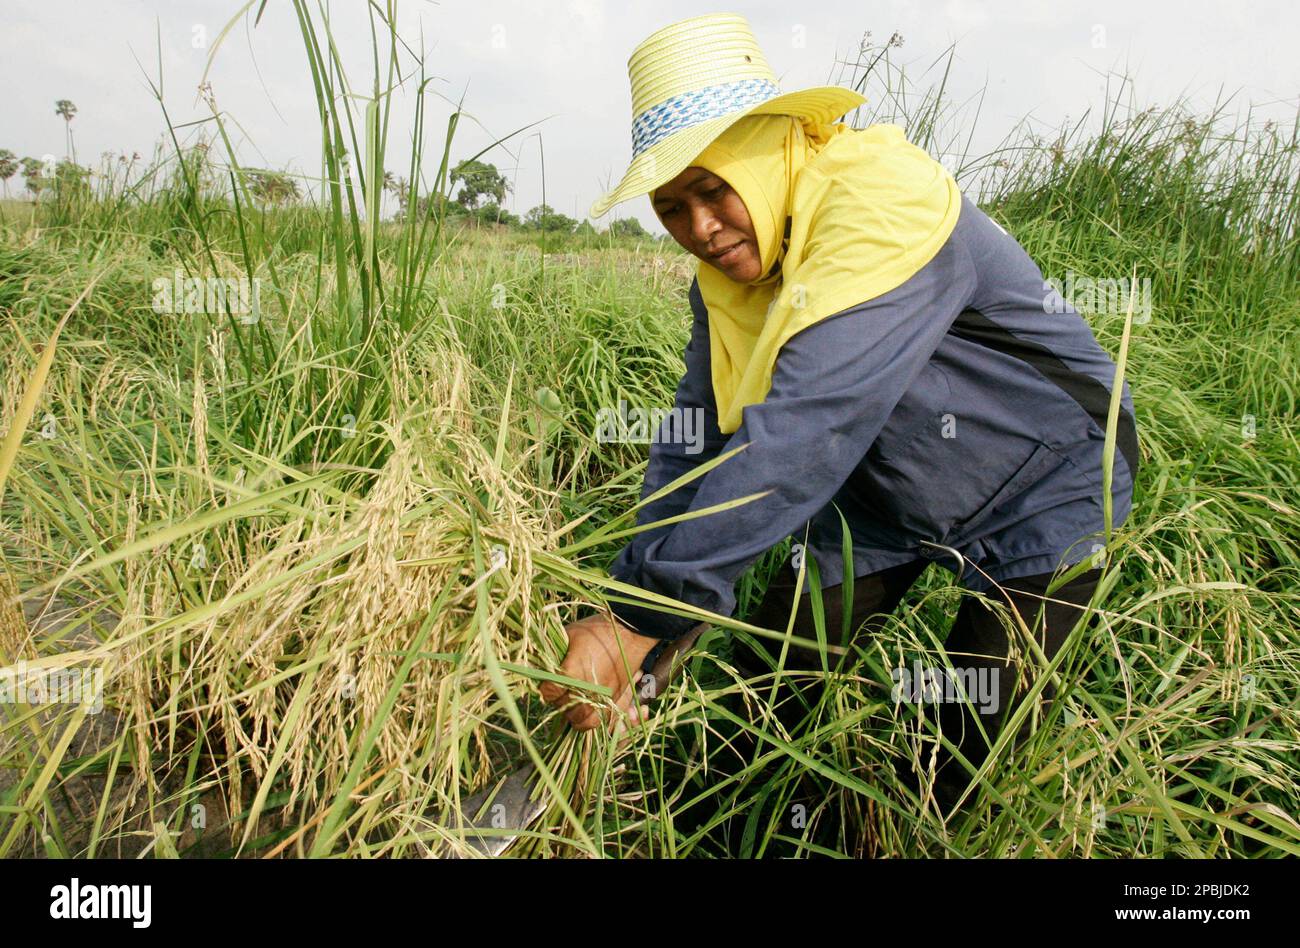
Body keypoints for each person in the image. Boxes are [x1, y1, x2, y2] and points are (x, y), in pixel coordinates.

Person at [538, 13, 1138, 808]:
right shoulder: (725, 281)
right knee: (775, 688)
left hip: (1048, 475)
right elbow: (695, 437)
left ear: (768, 152)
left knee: (961, 732)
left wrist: (657, 609)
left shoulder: (882, 202)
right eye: (672, 208)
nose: (702, 230)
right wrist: (633, 614)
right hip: (884, 491)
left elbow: (809, 423)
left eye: (715, 190)